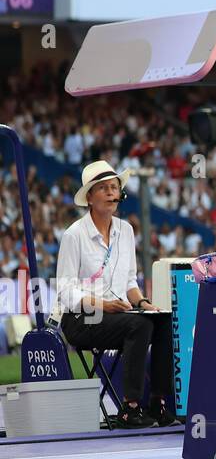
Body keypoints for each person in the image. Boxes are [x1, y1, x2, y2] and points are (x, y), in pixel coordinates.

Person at [56, 161, 175, 429]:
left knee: (164, 321)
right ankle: (129, 408)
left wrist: (143, 303)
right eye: (104, 188)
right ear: (89, 197)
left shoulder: (126, 230)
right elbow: (65, 290)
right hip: (81, 317)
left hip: (120, 313)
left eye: (114, 187)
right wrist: (103, 305)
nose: (112, 193)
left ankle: (158, 403)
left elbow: (130, 281)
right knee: (140, 323)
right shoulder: (74, 235)